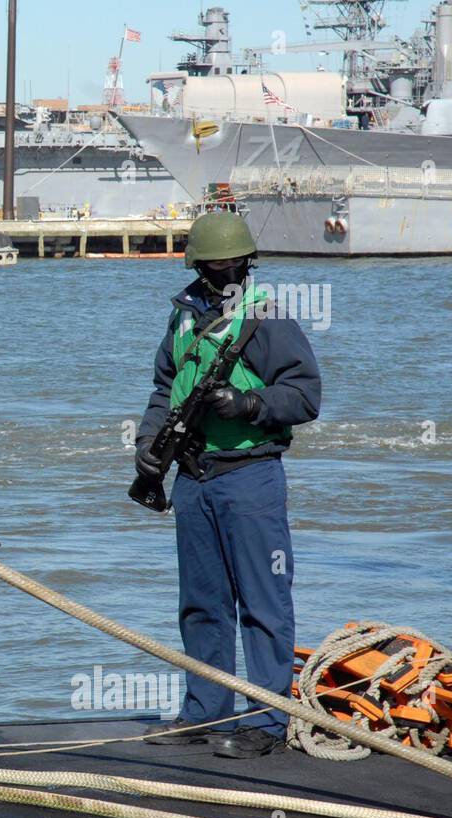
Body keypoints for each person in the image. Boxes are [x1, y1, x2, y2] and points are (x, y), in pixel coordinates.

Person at [135, 213, 321, 759]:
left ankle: (265, 722)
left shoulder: (267, 319)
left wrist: (250, 405)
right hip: (193, 478)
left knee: (263, 601)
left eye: (233, 262)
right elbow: (164, 387)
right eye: (215, 263)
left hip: (250, 477)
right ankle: (204, 711)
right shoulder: (183, 318)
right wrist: (149, 446)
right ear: (198, 264)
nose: (226, 271)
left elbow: (306, 395)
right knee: (201, 603)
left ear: (247, 261)